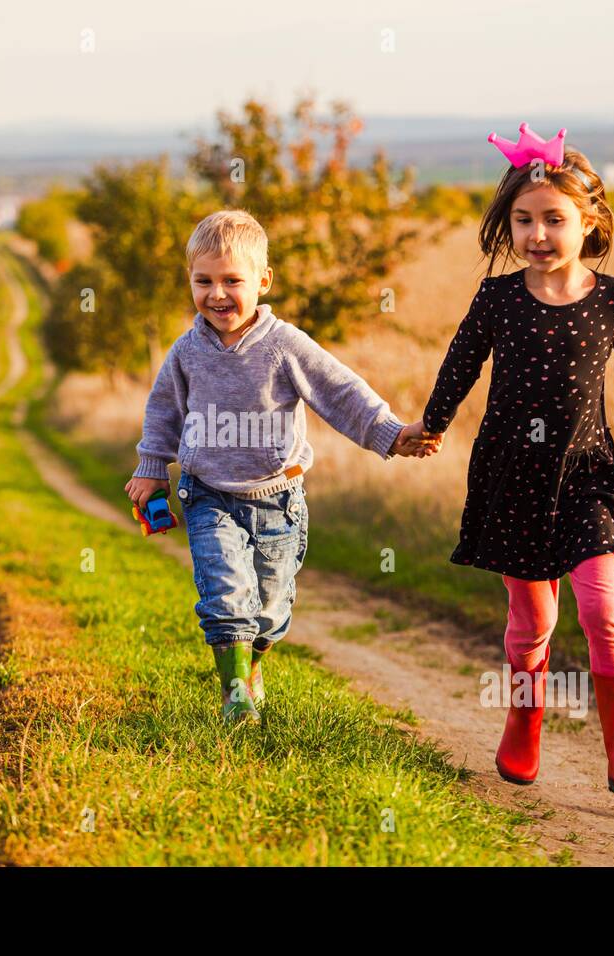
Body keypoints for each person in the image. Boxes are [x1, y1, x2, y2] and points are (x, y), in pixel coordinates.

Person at [419, 125, 614, 798]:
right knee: (535, 623)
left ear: (590, 222)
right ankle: (525, 719)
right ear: (507, 224)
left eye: (553, 219)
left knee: (603, 609)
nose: (537, 233)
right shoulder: (497, 299)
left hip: (587, 478)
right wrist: (430, 426)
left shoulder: (613, 298)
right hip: (511, 477)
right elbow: (459, 364)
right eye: (523, 220)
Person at [125, 209, 437, 724]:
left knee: (269, 610)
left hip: (278, 500)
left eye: (232, 280)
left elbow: (340, 392)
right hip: (208, 495)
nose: (217, 294)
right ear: (189, 282)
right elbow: (162, 411)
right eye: (203, 281)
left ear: (263, 281)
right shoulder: (186, 352)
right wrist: (153, 465)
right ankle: (234, 694)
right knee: (225, 594)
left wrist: (390, 434)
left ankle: (252, 666)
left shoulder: (283, 345)